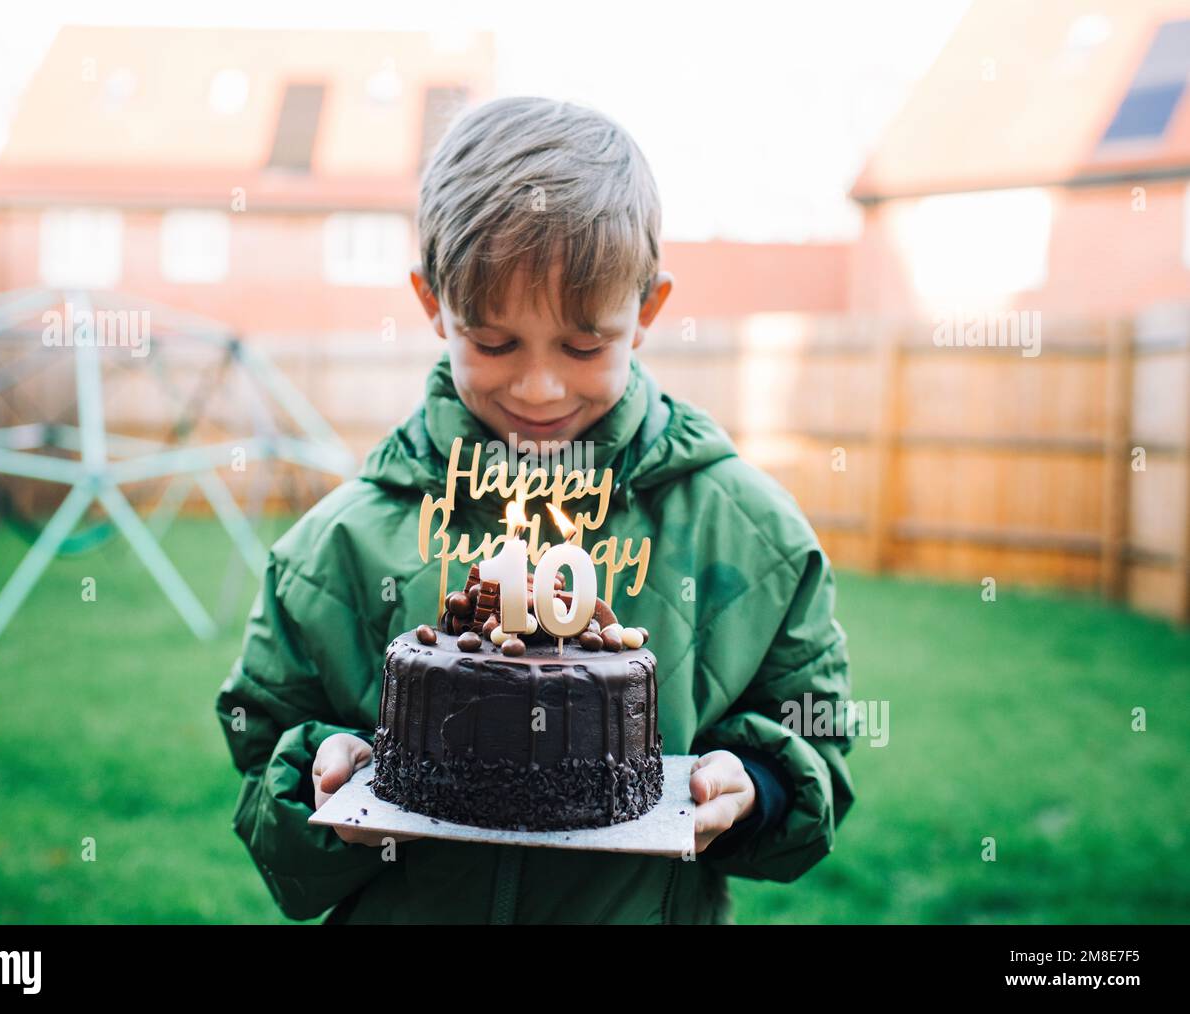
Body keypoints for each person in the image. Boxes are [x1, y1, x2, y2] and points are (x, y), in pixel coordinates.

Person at [215, 95, 856, 924]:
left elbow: (820, 754)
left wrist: (759, 788)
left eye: (586, 346)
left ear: (648, 312)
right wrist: (318, 780)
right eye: (493, 343)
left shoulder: (751, 533)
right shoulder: (337, 549)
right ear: (431, 304)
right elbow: (262, 755)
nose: (540, 387)